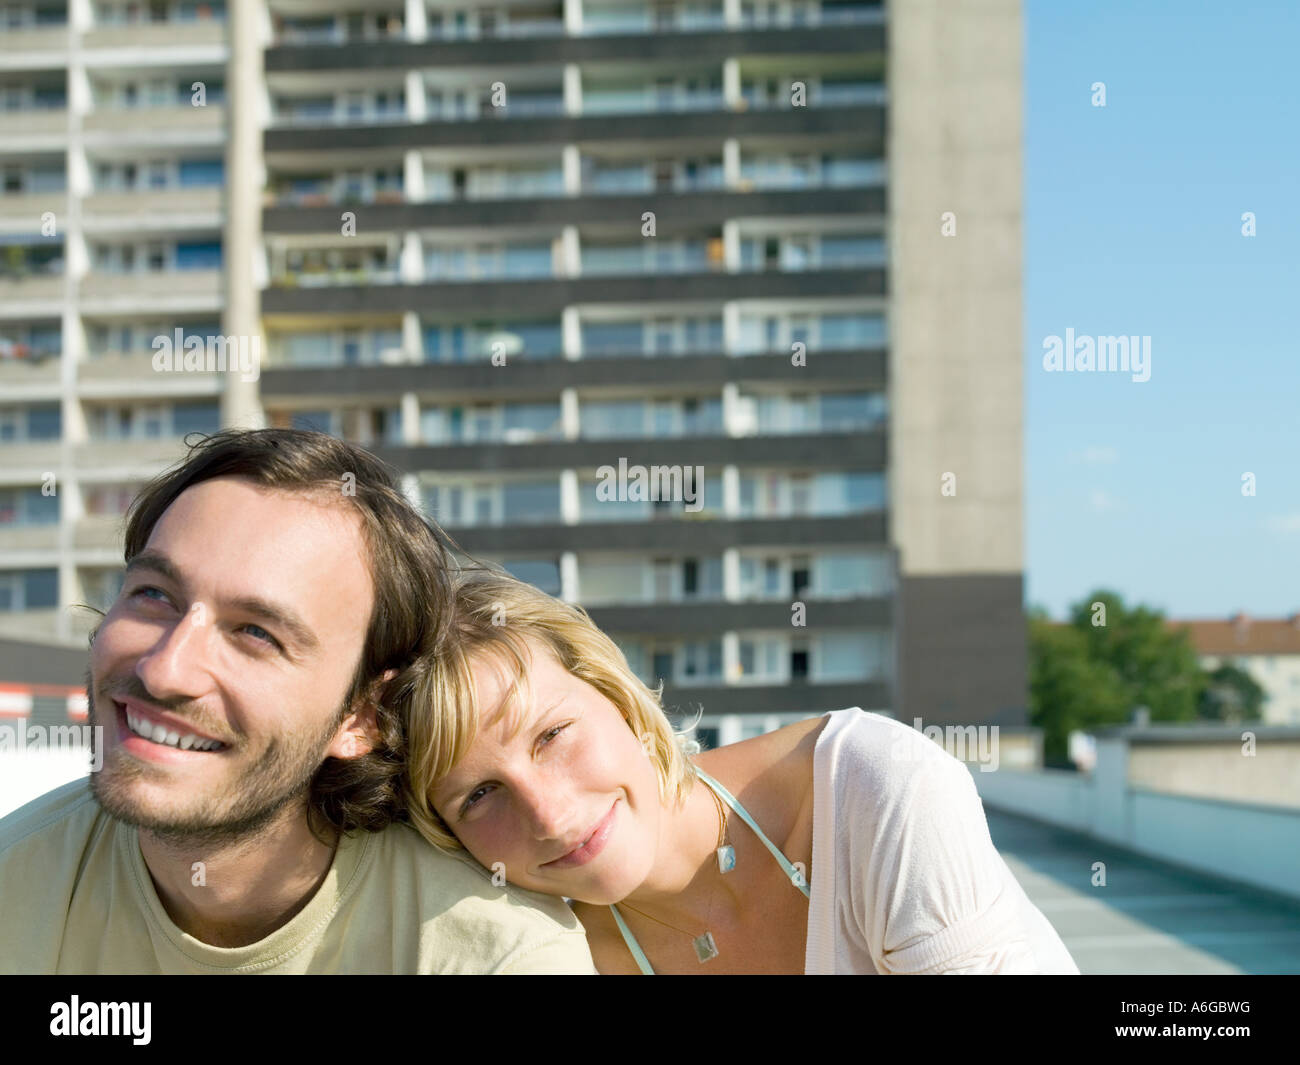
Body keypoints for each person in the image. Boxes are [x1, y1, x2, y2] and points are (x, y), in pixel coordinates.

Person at [0, 429, 593, 975]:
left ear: (362, 715)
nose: (164, 671)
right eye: (153, 594)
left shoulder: (498, 957)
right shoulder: (16, 887)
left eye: (257, 633)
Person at [405, 562, 1082, 975]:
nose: (549, 815)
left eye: (551, 734)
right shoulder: (549, 952)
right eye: (480, 795)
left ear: (614, 691)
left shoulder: (876, 789)